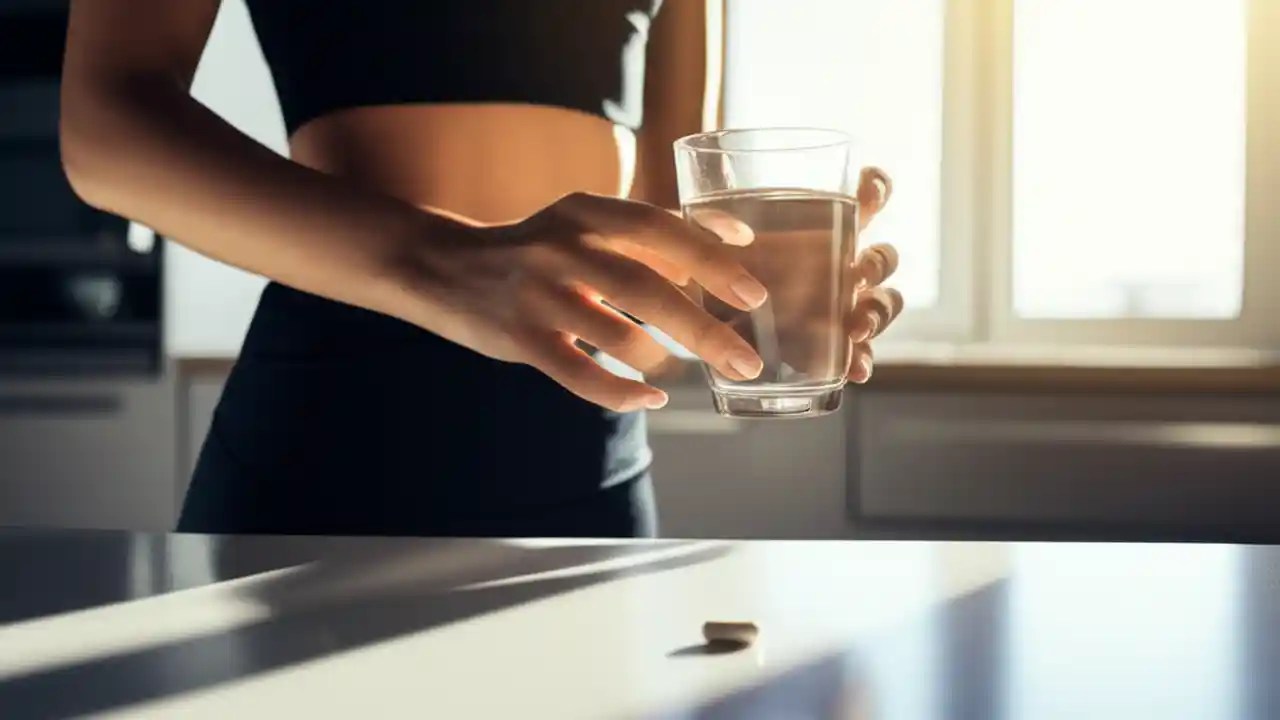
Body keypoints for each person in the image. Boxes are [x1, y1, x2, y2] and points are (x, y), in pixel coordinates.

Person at [59, 1, 903, 538]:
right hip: (329, 457)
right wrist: (454, 263)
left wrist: (747, 303)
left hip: (587, 481)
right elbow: (104, 128)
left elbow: (657, 283)